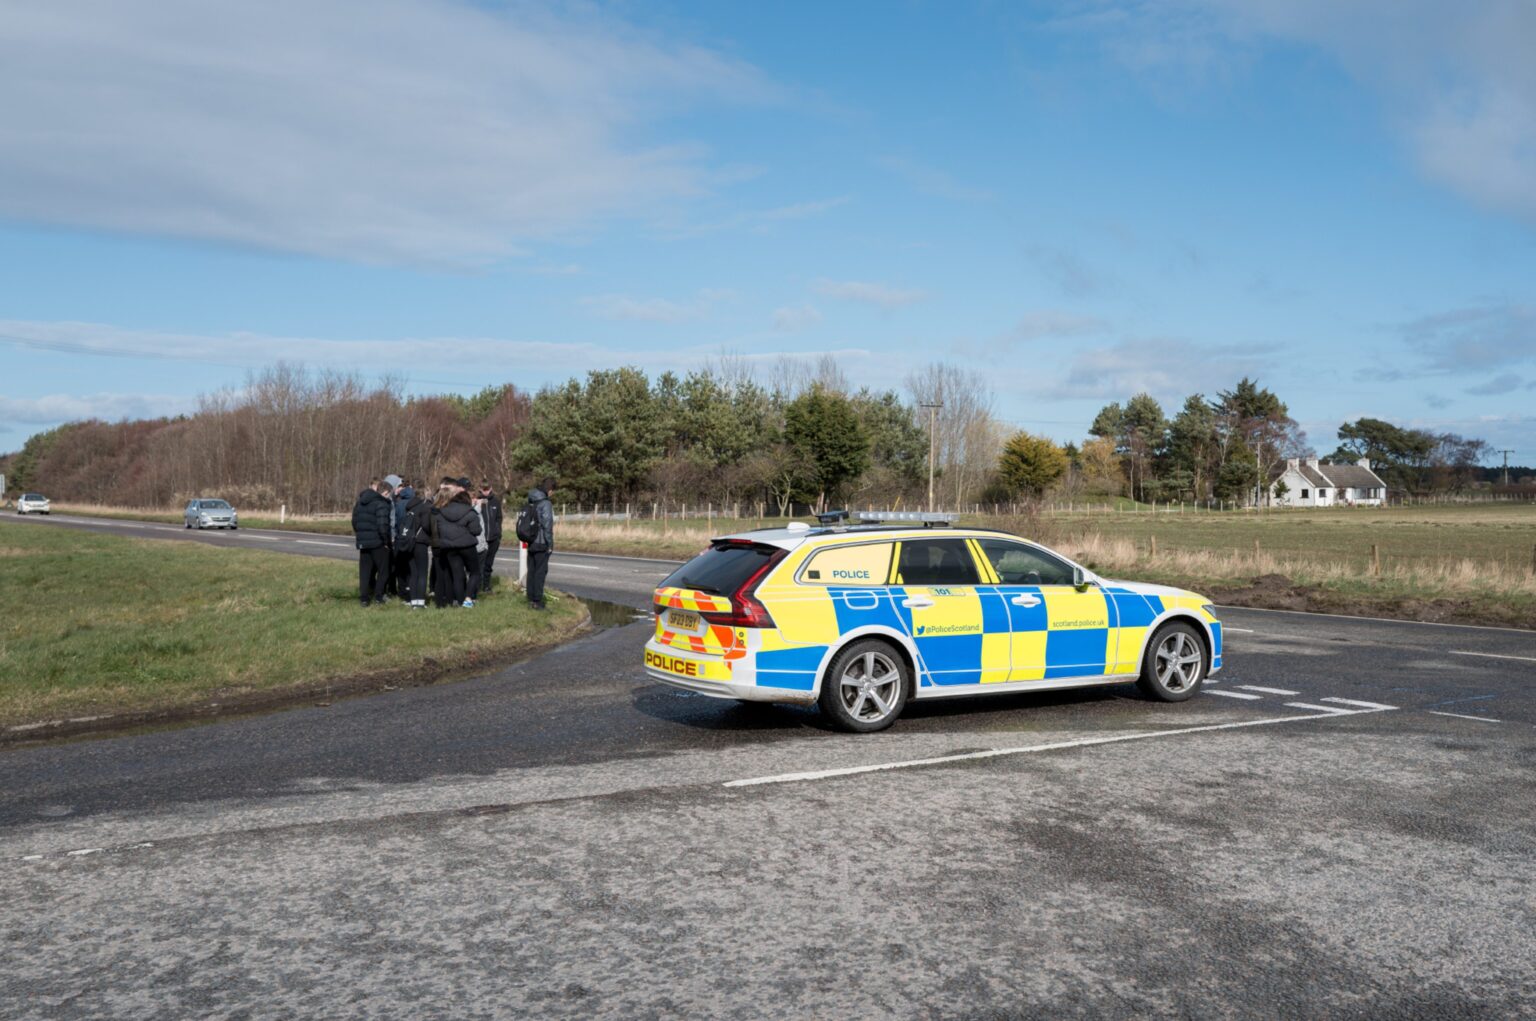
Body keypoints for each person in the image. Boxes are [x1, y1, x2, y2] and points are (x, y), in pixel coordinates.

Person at [430, 482, 482, 608]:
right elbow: (476, 531)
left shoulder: (441, 512)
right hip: (467, 546)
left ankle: (459, 601)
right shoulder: (470, 512)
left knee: (457, 575)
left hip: (449, 547)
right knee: (475, 572)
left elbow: (438, 529)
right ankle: (468, 598)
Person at [351, 479, 394, 607]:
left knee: (365, 571)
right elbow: (383, 525)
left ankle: (364, 599)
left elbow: (354, 521)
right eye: (389, 494)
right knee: (384, 570)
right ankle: (378, 597)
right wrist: (386, 541)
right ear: (386, 492)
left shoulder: (360, 502)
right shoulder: (382, 503)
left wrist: (361, 534)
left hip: (364, 542)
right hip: (378, 542)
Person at [524, 477, 555, 611]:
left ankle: (531, 599)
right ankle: (537, 602)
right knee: (540, 572)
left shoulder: (531, 500)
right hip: (541, 542)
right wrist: (550, 544)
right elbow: (547, 525)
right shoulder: (545, 503)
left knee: (531, 570)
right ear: (550, 490)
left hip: (530, 540)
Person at [399, 480, 430, 608]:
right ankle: (420, 602)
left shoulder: (409, 506)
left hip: (409, 542)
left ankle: (413, 601)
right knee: (422, 573)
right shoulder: (424, 507)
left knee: (413, 573)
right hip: (420, 542)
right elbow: (426, 526)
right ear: (424, 493)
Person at [386, 474, 410, 597]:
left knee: (396, 564)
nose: (400, 489)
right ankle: (390, 588)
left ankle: (394, 589)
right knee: (390, 565)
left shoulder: (397, 500)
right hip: (390, 536)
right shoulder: (388, 501)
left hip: (396, 536)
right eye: (399, 486)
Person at [478, 482, 503, 593]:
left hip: (493, 538)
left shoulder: (495, 502)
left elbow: (499, 518)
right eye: (483, 489)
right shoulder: (477, 501)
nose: (486, 491)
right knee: (480, 564)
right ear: (480, 489)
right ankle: (477, 587)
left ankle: (486, 586)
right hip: (481, 539)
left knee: (488, 564)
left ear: (491, 488)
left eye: (487, 489)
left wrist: (498, 533)